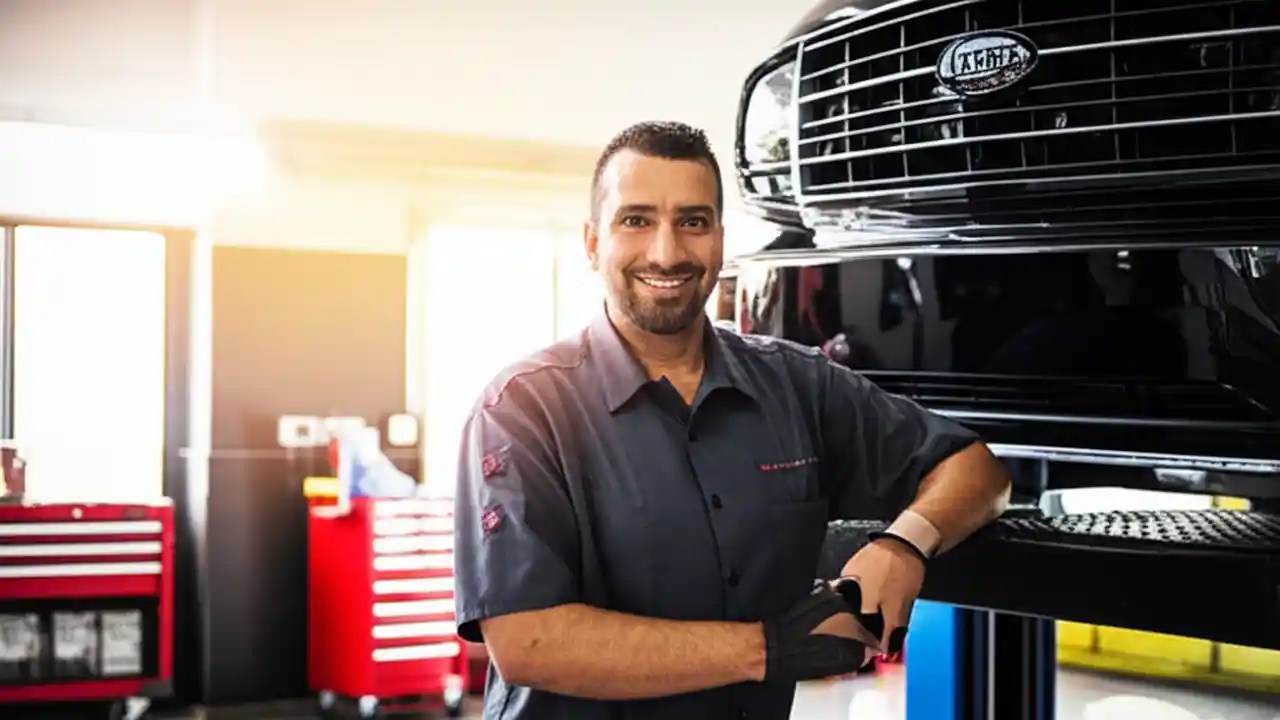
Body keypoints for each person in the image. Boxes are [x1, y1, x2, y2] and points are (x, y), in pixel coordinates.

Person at [452, 120, 1013, 719]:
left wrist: (904, 545)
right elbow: (528, 643)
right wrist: (766, 651)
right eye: (636, 220)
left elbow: (976, 471)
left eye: (692, 222)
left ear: (719, 240)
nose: (666, 252)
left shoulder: (799, 385)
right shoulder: (521, 408)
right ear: (593, 243)